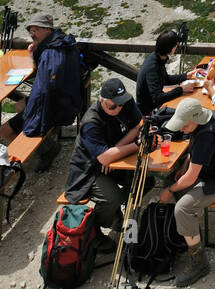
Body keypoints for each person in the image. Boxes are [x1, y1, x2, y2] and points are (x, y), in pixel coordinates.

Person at [157, 96, 215, 287]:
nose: (180, 129)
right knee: (175, 183)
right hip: (214, 171)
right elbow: (193, 150)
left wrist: (170, 190)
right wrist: (186, 165)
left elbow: (191, 178)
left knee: (182, 207)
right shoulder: (205, 117)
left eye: (183, 125)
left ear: (195, 119)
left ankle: (199, 263)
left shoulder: (208, 134)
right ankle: (189, 234)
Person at [64, 78, 142, 247]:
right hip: (89, 169)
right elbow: (103, 158)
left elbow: (139, 125)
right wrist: (134, 146)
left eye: (120, 104)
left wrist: (115, 150)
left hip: (113, 159)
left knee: (145, 181)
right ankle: (93, 231)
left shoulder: (125, 102)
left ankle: (118, 217)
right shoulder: (90, 122)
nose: (118, 109)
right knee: (111, 198)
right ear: (101, 100)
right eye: (112, 106)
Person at [1, 13, 87, 158]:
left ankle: (44, 153)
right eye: (31, 30)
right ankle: (45, 144)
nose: (32, 34)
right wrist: (34, 53)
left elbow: (45, 92)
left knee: (3, 131)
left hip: (57, 108)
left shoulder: (50, 54)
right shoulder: (62, 43)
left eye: (36, 30)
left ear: (48, 29)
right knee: (19, 105)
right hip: (68, 100)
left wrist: (34, 122)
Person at [136, 30, 196, 115]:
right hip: (148, 111)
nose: (177, 46)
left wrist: (185, 76)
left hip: (154, 104)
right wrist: (181, 89)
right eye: (176, 45)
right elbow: (157, 98)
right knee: (185, 111)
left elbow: (165, 79)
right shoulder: (153, 67)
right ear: (171, 48)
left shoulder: (157, 57)